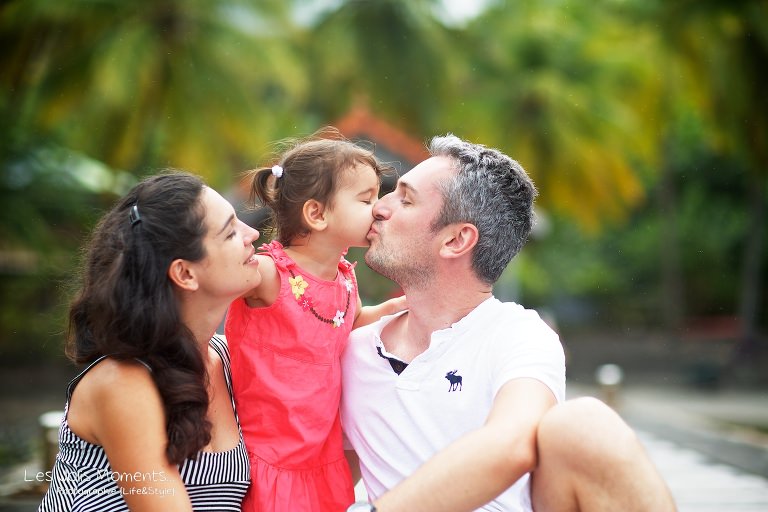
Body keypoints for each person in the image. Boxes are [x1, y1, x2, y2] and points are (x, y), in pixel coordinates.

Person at [340, 135, 677, 512]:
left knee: (586, 423)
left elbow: (512, 443)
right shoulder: (351, 348)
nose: (379, 208)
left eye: (405, 199)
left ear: (456, 240)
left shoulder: (518, 335)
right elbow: (317, 472)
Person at [39, 171, 259, 511]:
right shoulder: (123, 382)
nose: (252, 234)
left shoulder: (228, 358)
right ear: (185, 273)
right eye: (231, 232)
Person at [224, 132, 406, 512]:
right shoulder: (269, 274)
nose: (378, 209)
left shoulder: (344, 277)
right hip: (268, 456)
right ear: (317, 214)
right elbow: (216, 274)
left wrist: (398, 309)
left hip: (320, 457)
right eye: (366, 199)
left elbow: (348, 323)